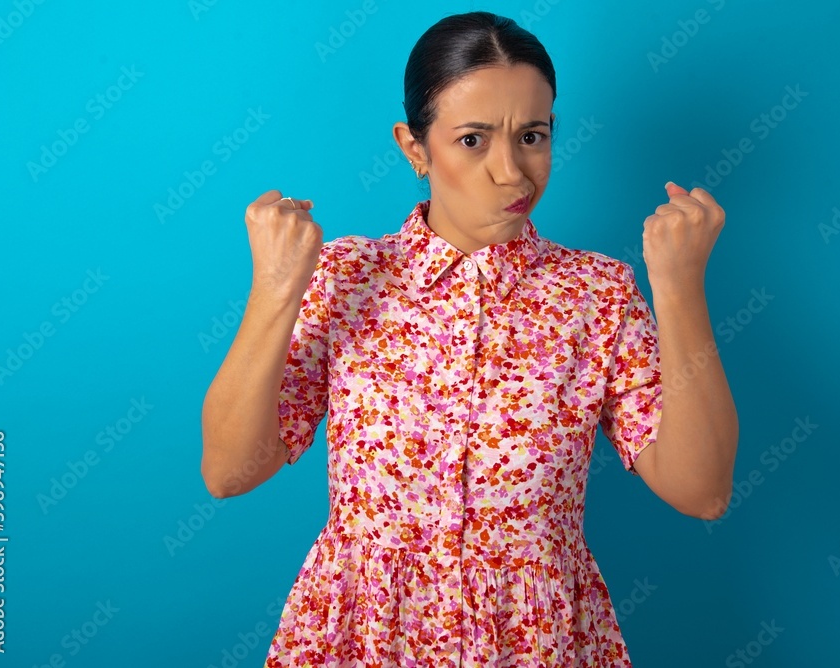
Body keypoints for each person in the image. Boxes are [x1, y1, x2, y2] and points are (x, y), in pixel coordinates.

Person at [200, 10, 738, 667]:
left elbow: (702, 490)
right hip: (365, 643)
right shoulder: (344, 277)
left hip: (537, 645)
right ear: (415, 148)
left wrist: (679, 288)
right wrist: (276, 289)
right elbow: (228, 472)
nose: (512, 172)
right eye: (473, 140)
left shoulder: (597, 296)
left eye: (533, 136)